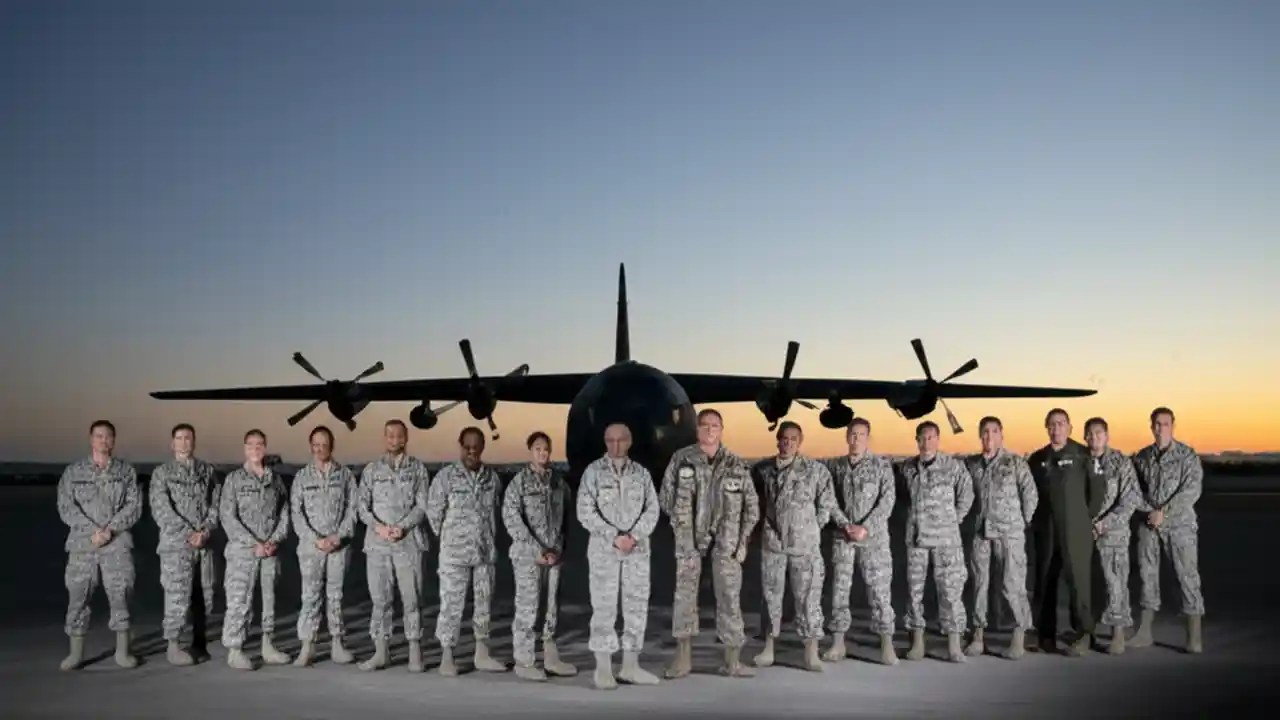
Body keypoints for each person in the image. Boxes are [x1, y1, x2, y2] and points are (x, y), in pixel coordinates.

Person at [658, 408, 760, 679]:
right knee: (684, 598)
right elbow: (666, 498)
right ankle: (682, 660)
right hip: (689, 542)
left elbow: (752, 507)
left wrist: (743, 541)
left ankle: (732, 661)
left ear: (721, 429)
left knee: (729, 597)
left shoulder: (736, 464)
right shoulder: (682, 460)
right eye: (704, 425)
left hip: (726, 543)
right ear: (698, 429)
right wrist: (682, 526)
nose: (710, 430)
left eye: (715, 425)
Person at [752, 421, 855, 672]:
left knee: (808, 598)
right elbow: (755, 502)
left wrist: (810, 528)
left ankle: (811, 651)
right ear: (777, 440)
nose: (787, 443)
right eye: (784, 438)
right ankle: (768, 647)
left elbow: (826, 505)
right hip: (773, 544)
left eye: (793, 439)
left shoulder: (814, 470)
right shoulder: (763, 470)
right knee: (771, 596)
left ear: (800, 442)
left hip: (804, 545)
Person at [576, 422, 661, 690]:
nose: (615, 445)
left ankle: (630, 666)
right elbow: (584, 510)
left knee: (636, 607)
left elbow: (652, 510)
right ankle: (603, 668)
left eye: (620, 440)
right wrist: (614, 535)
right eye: (610, 440)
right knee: (604, 607)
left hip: (636, 551)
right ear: (604, 441)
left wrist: (634, 536)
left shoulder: (642, 475)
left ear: (630, 441)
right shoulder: (593, 473)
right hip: (605, 551)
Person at [56, 420, 142, 670]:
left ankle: (123, 652)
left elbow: (134, 506)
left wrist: (111, 529)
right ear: (91, 439)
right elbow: (65, 506)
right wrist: (92, 530)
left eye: (108, 436)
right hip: (83, 544)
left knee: (121, 594)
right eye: (99, 436)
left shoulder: (126, 472)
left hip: (117, 543)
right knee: (78, 595)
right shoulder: (74, 472)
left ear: (114, 440)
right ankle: (76, 653)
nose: (104, 440)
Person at [428, 426, 507, 676]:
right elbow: (434, 514)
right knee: (451, 605)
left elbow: (496, 510)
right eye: (467, 446)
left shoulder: (491, 479)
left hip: (484, 552)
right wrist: (453, 538)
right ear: (460, 446)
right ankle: (447, 656)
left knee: (484, 603)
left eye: (476, 446)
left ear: (482, 447)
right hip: (455, 554)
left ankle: (482, 653)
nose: (472, 451)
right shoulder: (446, 477)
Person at [1028, 408, 1106, 656]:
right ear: (1046, 428)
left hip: (1075, 530)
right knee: (1045, 583)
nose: (1056, 428)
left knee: (1079, 583)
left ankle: (1084, 633)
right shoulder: (1038, 459)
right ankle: (1045, 635)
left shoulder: (1083, 456)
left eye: (1061, 424)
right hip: (1047, 530)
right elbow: (1031, 494)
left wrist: (1084, 520)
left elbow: (1096, 495)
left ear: (1070, 428)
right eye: (1051, 424)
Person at [356, 419, 431, 672]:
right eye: (389, 435)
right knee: (380, 598)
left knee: (412, 598)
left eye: (399, 435)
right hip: (378, 544)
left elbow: (422, 505)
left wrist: (404, 526)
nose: (394, 439)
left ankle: (414, 650)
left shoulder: (418, 469)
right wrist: (379, 527)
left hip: (408, 542)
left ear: (406, 438)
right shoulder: (371, 470)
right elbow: (362, 506)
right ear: (384, 438)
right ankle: (381, 651)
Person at [502, 431, 577, 680]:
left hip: (554, 557)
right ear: (530, 451)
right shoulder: (519, 483)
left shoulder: (558, 483)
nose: (542, 453)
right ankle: (524, 661)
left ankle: (550, 657)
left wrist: (559, 550)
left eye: (546, 449)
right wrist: (537, 549)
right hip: (528, 556)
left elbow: (566, 519)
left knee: (551, 608)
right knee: (528, 607)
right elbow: (512, 519)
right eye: (537, 448)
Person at [1129, 407, 1204, 653]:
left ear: (1173, 426)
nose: (1161, 428)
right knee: (1147, 576)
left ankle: (1193, 635)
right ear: (1151, 427)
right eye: (1157, 424)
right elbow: (1133, 490)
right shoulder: (1142, 457)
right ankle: (1145, 631)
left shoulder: (1187, 456)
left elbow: (1191, 490)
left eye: (1166, 424)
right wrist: (1149, 510)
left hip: (1179, 525)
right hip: (1150, 524)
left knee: (1187, 576)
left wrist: (1165, 511)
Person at [823, 417, 898, 666]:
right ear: (847, 436)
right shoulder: (836, 466)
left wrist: (866, 527)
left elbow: (887, 501)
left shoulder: (881, 466)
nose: (856, 439)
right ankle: (837, 642)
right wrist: (845, 525)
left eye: (861, 435)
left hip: (873, 538)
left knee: (879, 590)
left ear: (868, 437)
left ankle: (887, 643)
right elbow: (830, 499)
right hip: (843, 537)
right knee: (839, 591)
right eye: (852, 434)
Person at [961, 416, 1037, 660]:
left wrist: (1021, 523)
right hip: (982, 533)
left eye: (994, 431)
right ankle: (978, 635)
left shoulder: (1014, 462)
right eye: (984, 432)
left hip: (1009, 534)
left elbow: (1030, 495)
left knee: (1012, 583)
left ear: (1001, 435)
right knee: (980, 584)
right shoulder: (972, 465)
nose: (989, 437)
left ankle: (1019, 635)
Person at [900, 421, 974, 663]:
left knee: (950, 591)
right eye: (922, 437)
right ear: (916, 440)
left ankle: (954, 644)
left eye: (931, 437)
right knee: (914, 592)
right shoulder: (907, 468)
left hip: (946, 540)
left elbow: (966, 496)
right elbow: (901, 499)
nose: (926, 442)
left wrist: (952, 520)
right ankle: (917, 642)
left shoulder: (953, 467)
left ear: (938, 440)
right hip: (917, 540)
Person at [149, 423, 221, 665]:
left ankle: (199, 643)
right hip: (176, 545)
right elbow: (162, 510)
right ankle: (173, 645)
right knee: (177, 595)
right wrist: (189, 533)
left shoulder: (206, 471)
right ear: (172, 444)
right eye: (179, 438)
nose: (183, 442)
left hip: (203, 544)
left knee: (205, 595)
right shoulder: (162, 473)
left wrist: (206, 530)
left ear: (194, 441)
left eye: (188, 438)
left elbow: (216, 504)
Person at [220, 429, 292, 670]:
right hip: (243, 551)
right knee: (239, 599)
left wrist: (275, 540)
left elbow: (284, 512)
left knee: (269, 600)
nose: (255, 449)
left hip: (270, 551)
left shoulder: (275, 479)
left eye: (260, 444)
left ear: (265, 448)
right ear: (244, 448)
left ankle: (268, 645)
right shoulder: (234, 480)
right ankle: (235, 649)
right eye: (251, 445)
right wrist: (254, 543)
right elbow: (228, 517)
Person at [291, 425, 358, 667]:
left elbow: (353, 509)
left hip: (338, 547)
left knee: (335, 596)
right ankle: (307, 646)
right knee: (310, 596)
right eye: (316, 444)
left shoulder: (345, 475)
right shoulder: (301, 477)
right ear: (311, 446)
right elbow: (296, 514)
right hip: (311, 548)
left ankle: (337, 643)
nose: (320, 449)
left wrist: (338, 536)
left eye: (324, 444)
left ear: (332, 446)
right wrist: (315, 539)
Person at [1084, 416, 1141, 655]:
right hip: (1084, 533)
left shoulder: (1120, 462)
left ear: (1106, 436)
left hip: (1113, 534)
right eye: (1090, 434)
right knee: (1088, 585)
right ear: (1084, 437)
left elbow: (1131, 498)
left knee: (1115, 582)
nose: (1094, 438)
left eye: (1099, 433)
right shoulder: (1080, 461)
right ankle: (1088, 632)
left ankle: (1118, 634)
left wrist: (1104, 523)